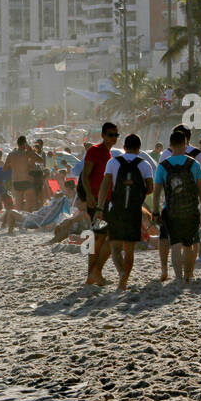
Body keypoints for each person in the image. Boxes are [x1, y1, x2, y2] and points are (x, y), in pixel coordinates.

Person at [153, 126, 201, 285]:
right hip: (191, 209)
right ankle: (189, 275)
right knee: (190, 244)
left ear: (170, 145)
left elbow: (157, 191)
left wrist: (155, 211)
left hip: (171, 210)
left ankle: (179, 277)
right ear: (185, 144)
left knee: (175, 244)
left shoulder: (163, 165)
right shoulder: (194, 164)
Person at [92, 134, 154, 291]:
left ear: (124, 147)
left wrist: (100, 208)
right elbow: (150, 188)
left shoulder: (113, 162)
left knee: (115, 247)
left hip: (116, 209)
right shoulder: (145, 165)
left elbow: (105, 186)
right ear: (139, 149)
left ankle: (120, 273)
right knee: (130, 249)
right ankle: (124, 280)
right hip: (134, 211)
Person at [81, 122, 118, 286]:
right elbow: (84, 176)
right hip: (96, 202)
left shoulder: (110, 154)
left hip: (105, 202)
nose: (113, 138)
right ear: (103, 135)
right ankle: (93, 273)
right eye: (111, 135)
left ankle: (93, 274)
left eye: (116, 135)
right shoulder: (94, 151)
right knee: (100, 236)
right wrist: (88, 195)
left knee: (100, 237)